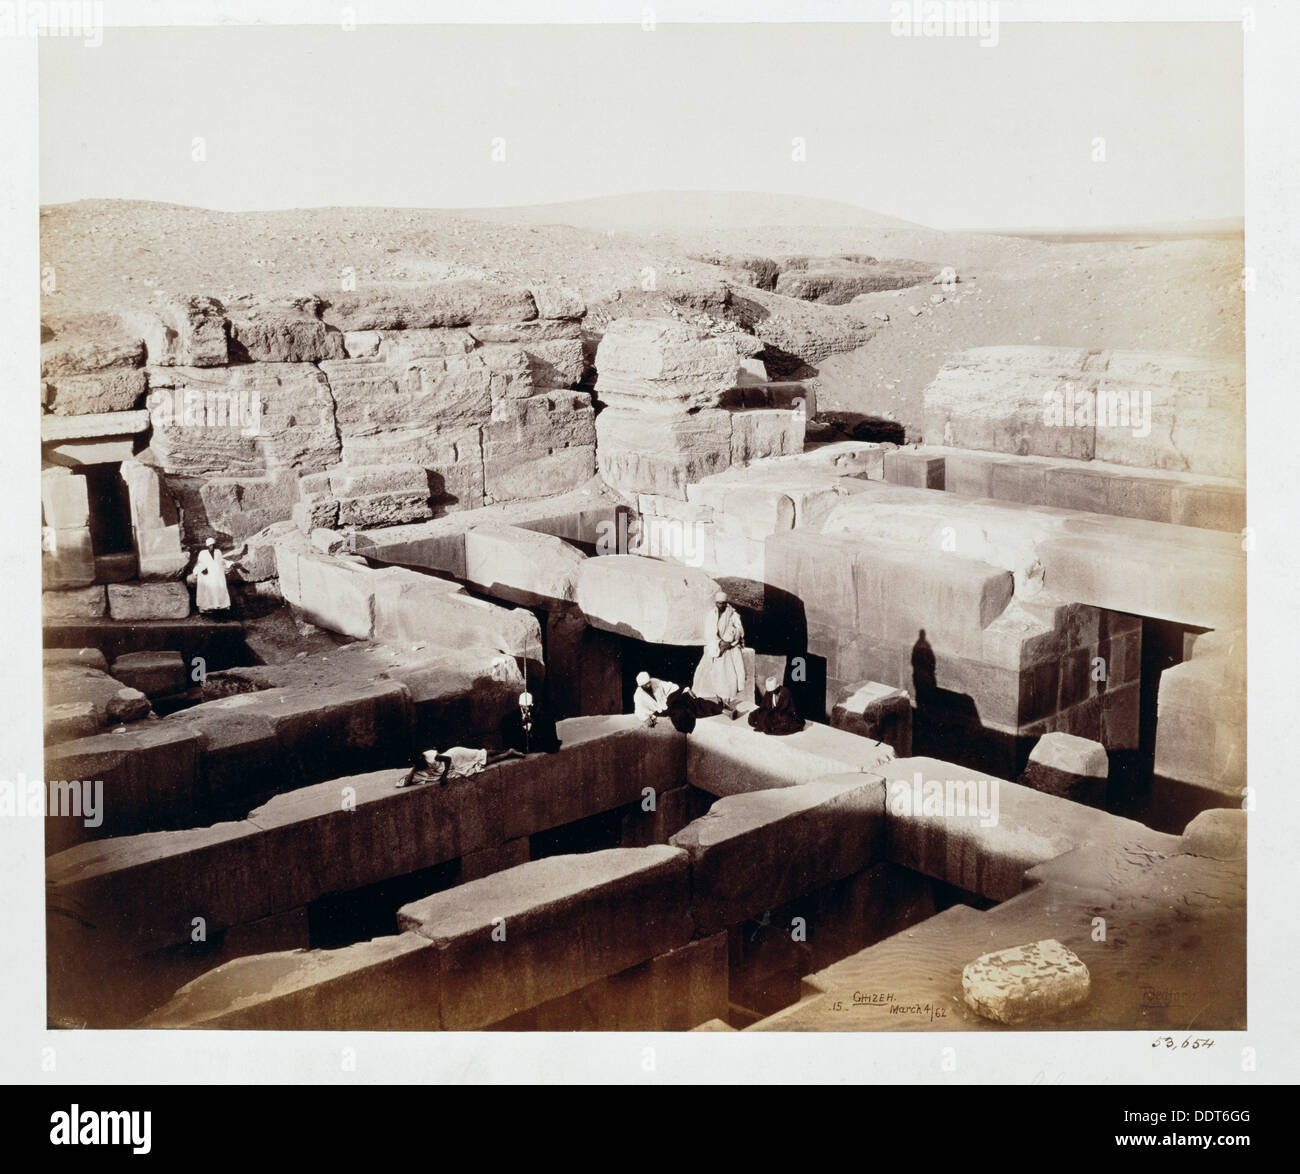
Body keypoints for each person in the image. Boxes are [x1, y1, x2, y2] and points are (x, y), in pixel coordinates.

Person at [691, 590, 745, 717]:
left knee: (728, 678)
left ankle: (726, 702)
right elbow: (709, 633)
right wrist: (719, 643)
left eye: (723, 603)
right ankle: (718, 702)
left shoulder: (733, 615)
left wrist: (728, 643)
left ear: (726, 603)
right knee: (714, 677)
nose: (721, 606)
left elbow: (740, 630)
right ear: (716, 603)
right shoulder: (711, 615)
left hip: (729, 651)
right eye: (719, 603)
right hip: (716, 649)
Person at [633, 670, 723, 735]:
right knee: (683, 710)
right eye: (646, 685)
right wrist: (645, 719)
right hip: (660, 711)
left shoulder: (654, 681)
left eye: (649, 683)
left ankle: (719, 708)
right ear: (641, 686)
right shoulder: (638, 695)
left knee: (688, 700)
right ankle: (717, 707)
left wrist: (686, 689)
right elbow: (638, 710)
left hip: (667, 703)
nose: (649, 685)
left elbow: (669, 686)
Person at [188, 537, 245, 615]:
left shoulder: (218, 552)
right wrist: (201, 569)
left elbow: (221, 561)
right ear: (207, 546)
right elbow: (199, 563)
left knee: (219, 590)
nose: (212, 547)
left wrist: (231, 563)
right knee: (209, 591)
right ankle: (208, 608)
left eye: (213, 545)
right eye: (210, 545)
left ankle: (219, 607)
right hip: (208, 576)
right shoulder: (203, 553)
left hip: (218, 574)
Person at [500, 690, 560, 754]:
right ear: (520, 705)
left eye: (528, 706)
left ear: (532, 705)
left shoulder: (538, 713)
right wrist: (521, 724)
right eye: (524, 707)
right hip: (520, 743)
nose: (527, 709)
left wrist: (532, 722)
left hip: (535, 742)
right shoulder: (510, 717)